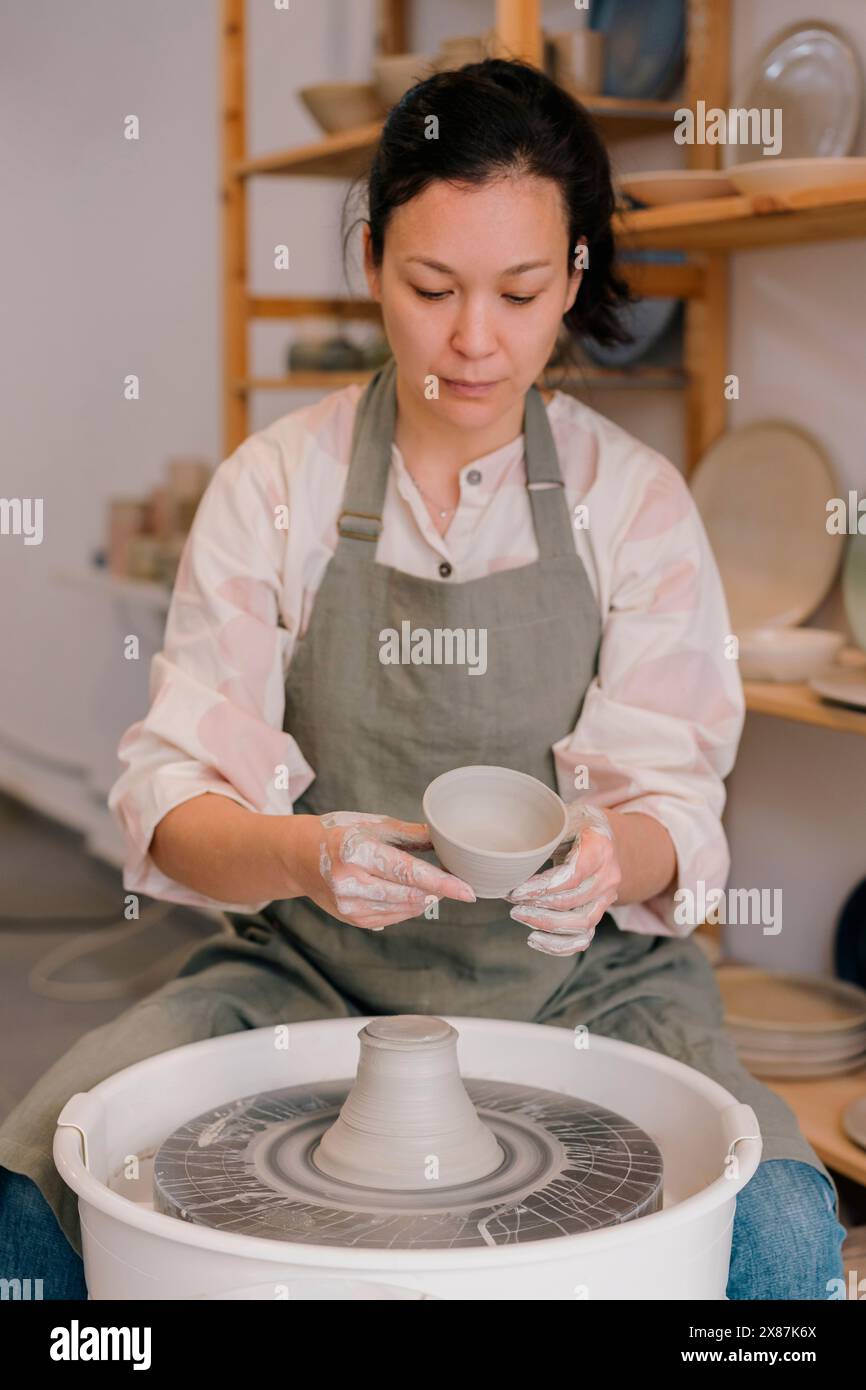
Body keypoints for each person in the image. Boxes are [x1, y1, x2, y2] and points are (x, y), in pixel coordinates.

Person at [0, 58, 846, 1300]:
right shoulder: (276, 485)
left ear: (571, 277)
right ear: (371, 265)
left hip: (587, 985)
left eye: (516, 292)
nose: (471, 339)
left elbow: (677, 810)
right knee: (36, 1198)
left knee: (773, 1238)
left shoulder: (632, 502)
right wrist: (305, 856)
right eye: (430, 285)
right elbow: (173, 808)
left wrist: (617, 854)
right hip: (304, 971)